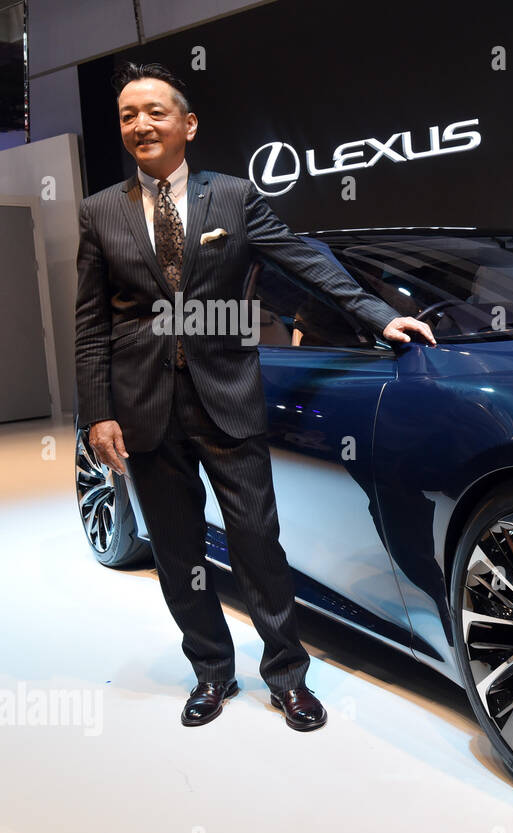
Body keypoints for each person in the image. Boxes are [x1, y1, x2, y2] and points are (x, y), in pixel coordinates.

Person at [75, 62, 434, 731]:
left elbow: (304, 260)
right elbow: (93, 322)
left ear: (188, 124)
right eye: (127, 115)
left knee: (258, 545)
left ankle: (287, 676)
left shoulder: (234, 199)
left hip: (228, 399)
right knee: (178, 552)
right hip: (145, 409)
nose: (140, 125)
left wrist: (374, 314)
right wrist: (97, 411)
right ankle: (211, 672)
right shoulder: (100, 213)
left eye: (154, 111)